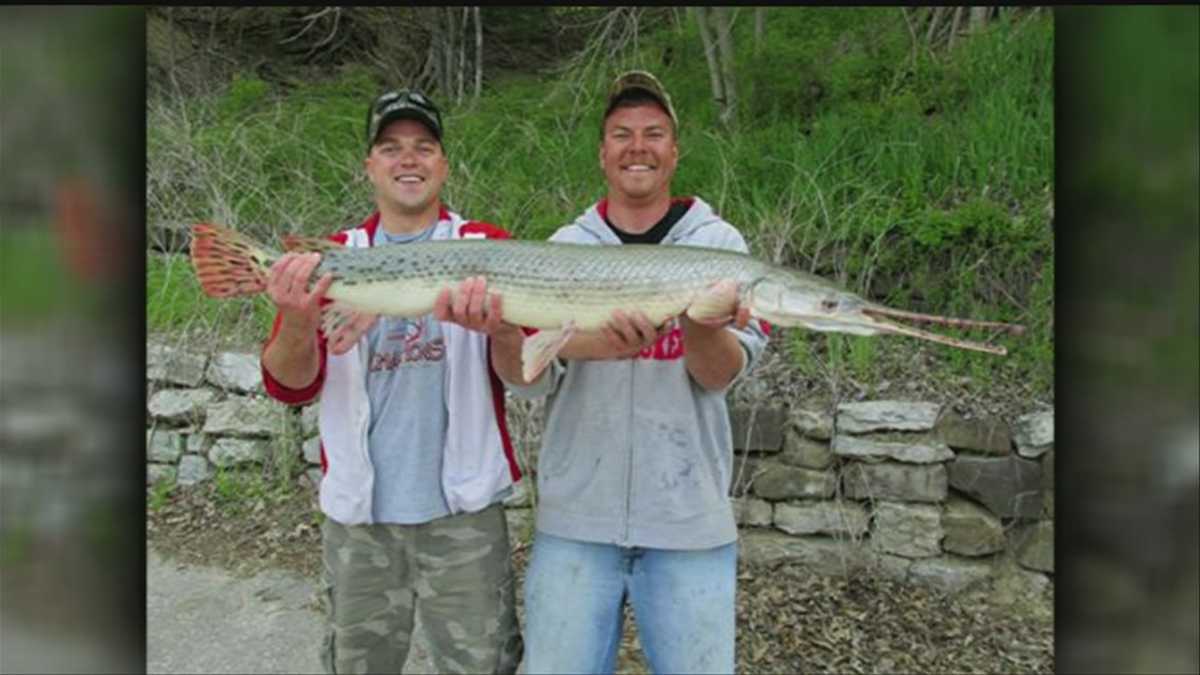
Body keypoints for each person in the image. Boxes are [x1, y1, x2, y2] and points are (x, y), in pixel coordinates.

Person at [493, 70, 770, 674]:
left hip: (688, 524)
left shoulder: (724, 250)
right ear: (602, 152)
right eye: (621, 133)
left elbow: (722, 374)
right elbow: (527, 377)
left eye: (653, 133)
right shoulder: (565, 246)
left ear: (675, 150)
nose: (637, 146)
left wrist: (699, 324)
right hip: (577, 522)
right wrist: (500, 327)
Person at [259, 88, 523, 675]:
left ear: (444, 164)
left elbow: (524, 375)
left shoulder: (488, 246)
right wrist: (300, 320)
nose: (409, 159)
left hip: (465, 518)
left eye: (424, 147)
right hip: (360, 524)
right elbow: (290, 386)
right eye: (391, 147)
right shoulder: (335, 256)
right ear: (370, 166)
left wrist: (503, 330)